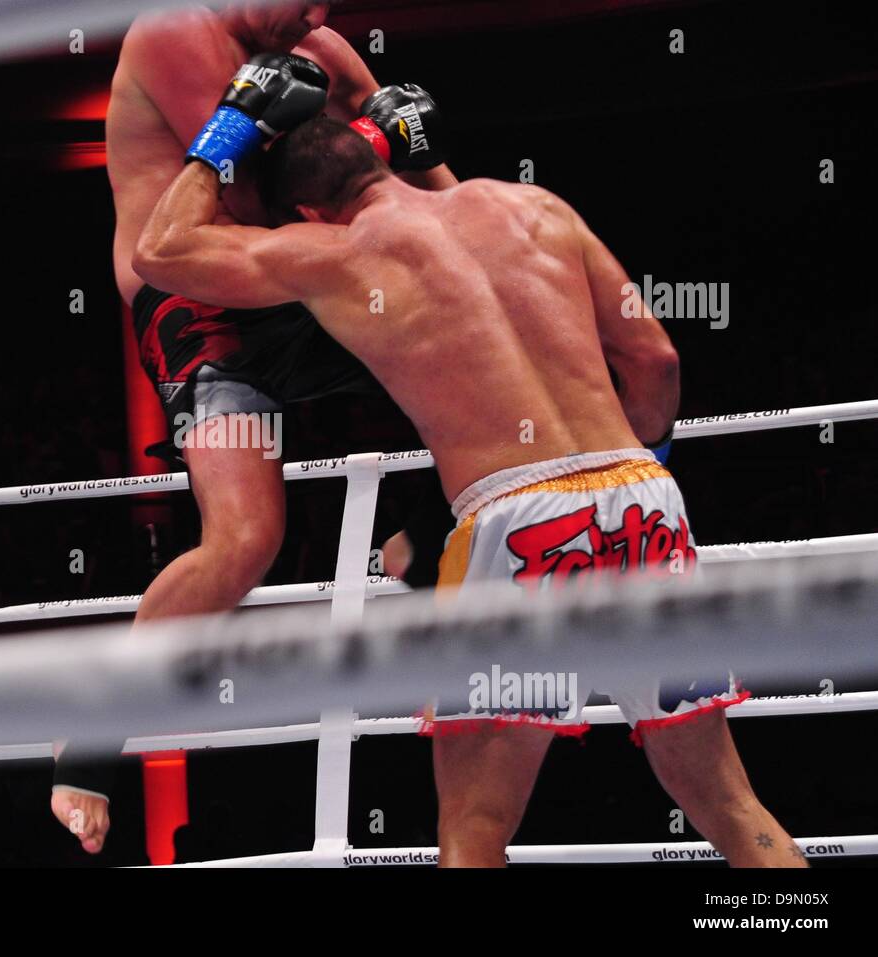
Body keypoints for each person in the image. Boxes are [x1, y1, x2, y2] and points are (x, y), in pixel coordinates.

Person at [132, 107, 805, 867]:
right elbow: (657, 362)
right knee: (728, 801)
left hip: (518, 523)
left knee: (475, 829)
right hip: (645, 500)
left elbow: (160, 252)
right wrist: (634, 480)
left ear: (311, 210)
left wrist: (232, 124)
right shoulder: (538, 207)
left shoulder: (335, 253)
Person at [53, 1, 456, 854]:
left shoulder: (319, 48)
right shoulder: (171, 33)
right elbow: (245, 195)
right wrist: (374, 154)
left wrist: (420, 154)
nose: (316, 14)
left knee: (473, 338)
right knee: (243, 539)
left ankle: (421, 542)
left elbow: (442, 209)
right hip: (201, 306)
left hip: (301, 287)